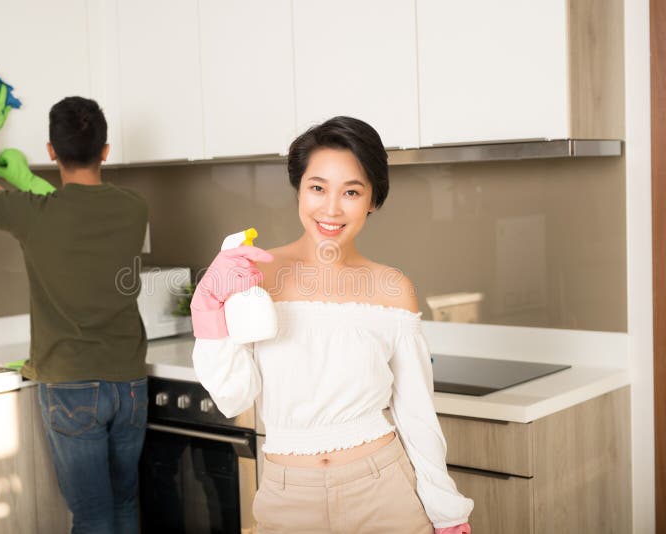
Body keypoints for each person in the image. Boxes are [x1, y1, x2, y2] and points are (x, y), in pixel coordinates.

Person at [191, 116, 473, 533]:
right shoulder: (257, 278)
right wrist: (208, 308)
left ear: (373, 200)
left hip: (384, 493)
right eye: (317, 188)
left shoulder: (392, 288)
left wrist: (448, 512)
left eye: (352, 191)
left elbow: (416, 412)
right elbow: (233, 398)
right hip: (289, 496)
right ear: (299, 190)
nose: (332, 208)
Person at [0, 75, 149, 534]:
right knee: (125, 504)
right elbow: (79, 213)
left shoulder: (33, 215)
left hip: (70, 386)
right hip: (129, 383)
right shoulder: (134, 207)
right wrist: (27, 182)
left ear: (51, 151)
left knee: (91, 515)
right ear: (105, 150)